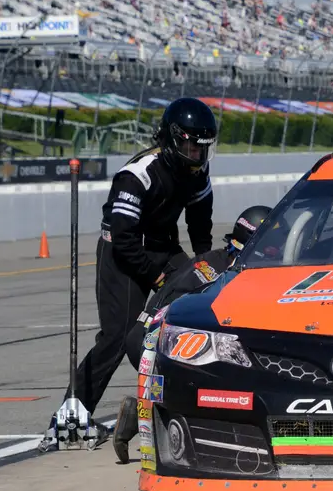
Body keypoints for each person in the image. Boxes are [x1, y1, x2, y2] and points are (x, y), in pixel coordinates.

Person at [43, 97, 219, 450]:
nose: (197, 156)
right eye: (191, 147)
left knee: (202, 300)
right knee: (119, 337)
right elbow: (123, 237)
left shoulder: (198, 173)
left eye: (203, 149)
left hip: (162, 246)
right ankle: (70, 415)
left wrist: (205, 269)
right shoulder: (137, 175)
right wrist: (156, 278)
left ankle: (200, 397)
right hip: (122, 253)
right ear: (172, 140)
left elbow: (201, 228)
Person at [112, 205, 273, 462]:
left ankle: (138, 413)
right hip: (152, 339)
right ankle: (144, 419)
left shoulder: (212, 258)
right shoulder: (229, 274)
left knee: (176, 386)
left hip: (142, 333)